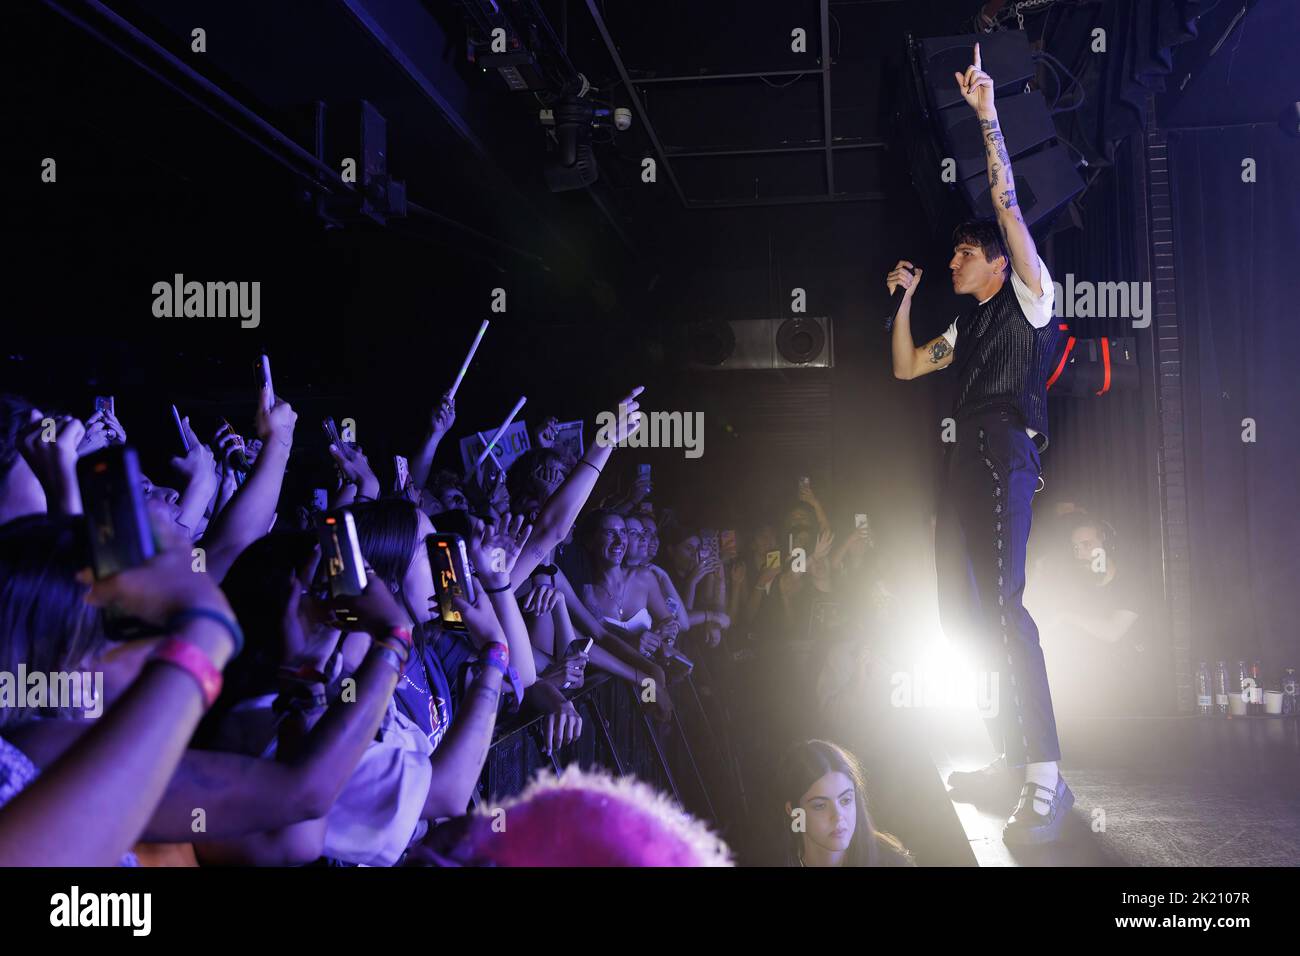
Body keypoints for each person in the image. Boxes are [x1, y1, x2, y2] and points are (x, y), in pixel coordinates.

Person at [886, 42, 1070, 844]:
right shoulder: (963, 324)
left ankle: (1046, 781)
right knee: (964, 616)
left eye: (963, 254)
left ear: (999, 263)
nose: (953, 259)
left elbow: (1007, 205)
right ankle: (1007, 756)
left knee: (1004, 608)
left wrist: (987, 117)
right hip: (967, 455)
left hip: (1005, 446)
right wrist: (906, 301)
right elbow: (903, 369)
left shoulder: (1031, 293)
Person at [777, 740, 913, 867]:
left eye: (845, 800)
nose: (837, 816)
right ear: (793, 812)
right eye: (820, 806)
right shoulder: (775, 860)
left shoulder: (892, 861)